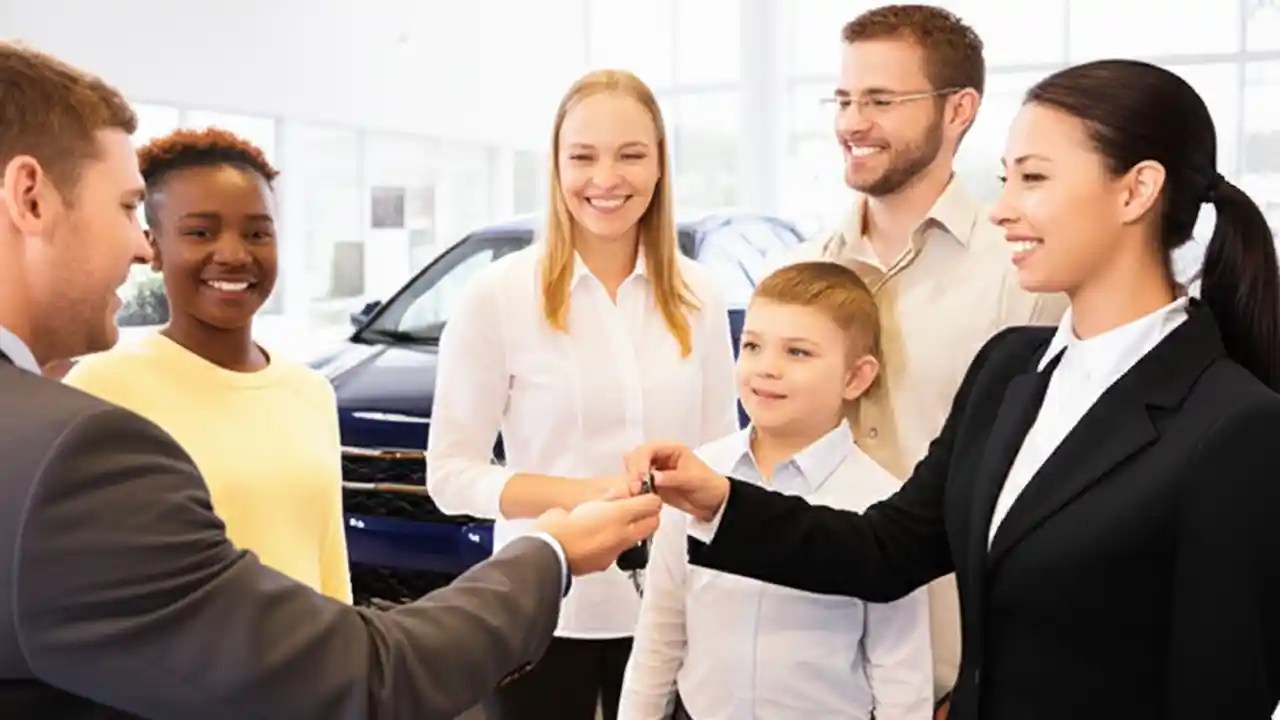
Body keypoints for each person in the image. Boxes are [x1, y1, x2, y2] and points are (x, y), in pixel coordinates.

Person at [0, 41, 660, 719]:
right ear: (30, 197)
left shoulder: (304, 392)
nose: (139, 246)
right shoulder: (79, 442)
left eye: (259, 231)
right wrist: (549, 550)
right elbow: (358, 672)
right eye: (127, 209)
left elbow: (332, 604)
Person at [626, 58, 1280, 720]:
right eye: (1005, 179)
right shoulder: (1009, 371)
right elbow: (885, 551)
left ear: (1136, 190)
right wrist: (720, 501)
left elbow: (1220, 697)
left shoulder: (1233, 428)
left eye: (1033, 178)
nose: (1002, 210)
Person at [426, 69, 738, 720]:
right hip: (541, 608)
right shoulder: (498, 297)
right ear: (556, 165)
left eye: (630, 155)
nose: (606, 178)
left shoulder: (701, 296)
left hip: (672, 608)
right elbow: (451, 477)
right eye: (583, 156)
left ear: (659, 167)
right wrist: (582, 497)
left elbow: (717, 459)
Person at [781, 6, 1067, 711]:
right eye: (844, 99)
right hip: (814, 665)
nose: (852, 122)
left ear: (959, 110)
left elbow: (1041, 499)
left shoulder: (1024, 276)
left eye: (880, 100)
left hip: (955, 671)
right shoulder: (803, 269)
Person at [619, 261, 932, 720]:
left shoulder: (884, 509)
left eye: (798, 353)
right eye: (752, 346)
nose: (767, 368)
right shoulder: (697, 477)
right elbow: (659, 639)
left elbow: (901, 677)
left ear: (856, 377)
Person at [63, 127, 352, 603]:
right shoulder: (104, 387)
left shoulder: (310, 391)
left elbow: (330, 566)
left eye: (258, 233)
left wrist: (352, 670)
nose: (235, 254)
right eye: (200, 232)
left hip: (307, 671)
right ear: (152, 247)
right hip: (174, 675)